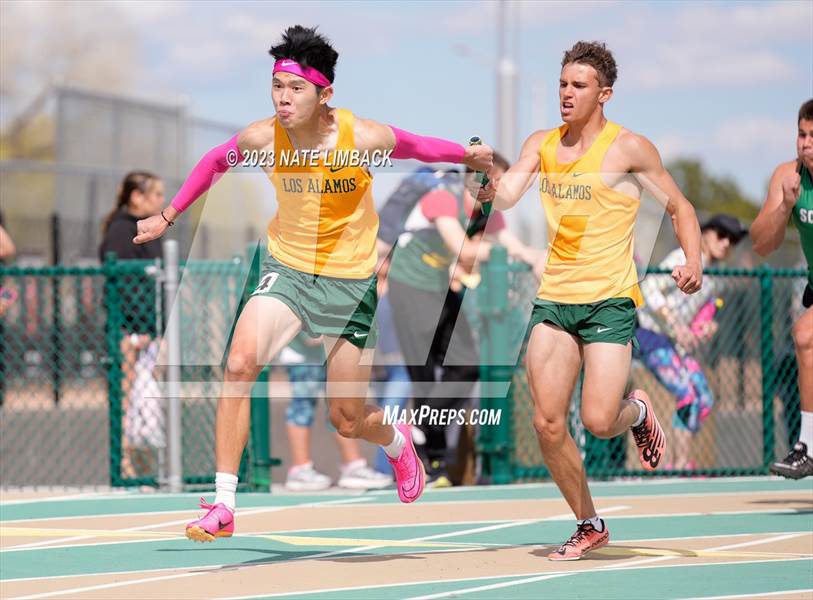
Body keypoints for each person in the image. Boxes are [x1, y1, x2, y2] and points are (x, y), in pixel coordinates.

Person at [132, 25, 492, 542]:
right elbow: (214, 160)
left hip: (349, 283)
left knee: (346, 418)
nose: (283, 98)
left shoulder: (359, 136)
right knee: (238, 365)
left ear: (325, 94)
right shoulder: (264, 137)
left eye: (295, 89)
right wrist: (167, 217)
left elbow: (414, 145)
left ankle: (395, 443)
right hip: (289, 270)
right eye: (277, 86)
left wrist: (465, 155)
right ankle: (225, 504)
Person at [479, 40, 702, 560]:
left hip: (608, 301)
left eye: (578, 86)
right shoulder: (543, 143)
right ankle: (589, 521)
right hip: (555, 299)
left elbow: (680, 206)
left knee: (600, 421)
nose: (566, 94)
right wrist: (486, 181)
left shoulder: (629, 149)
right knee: (546, 422)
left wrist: (693, 260)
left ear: (604, 94)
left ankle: (638, 411)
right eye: (561, 84)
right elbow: (507, 194)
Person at [385, 155, 542, 486]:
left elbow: (512, 245)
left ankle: (421, 431)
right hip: (409, 286)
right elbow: (463, 250)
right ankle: (435, 465)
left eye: (501, 182)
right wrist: (505, 253)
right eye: (492, 180)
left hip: (439, 288)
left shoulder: (490, 213)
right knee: (424, 376)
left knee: (466, 364)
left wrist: (536, 258)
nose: (498, 188)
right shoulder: (442, 197)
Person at [637, 214, 747, 470]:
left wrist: (706, 327)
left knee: (704, 398)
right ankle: (680, 463)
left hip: (675, 344)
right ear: (705, 233)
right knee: (687, 393)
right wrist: (673, 322)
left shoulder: (714, 277)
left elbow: (702, 315)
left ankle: (680, 460)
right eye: (721, 235)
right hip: (650, 336)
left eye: (732, 240)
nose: (726, 243)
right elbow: (649, 288)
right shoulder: (682, 258)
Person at [751, 98, 813, 480]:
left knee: (805, 334)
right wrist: (784, 207)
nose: (806, 143)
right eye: (802, 135)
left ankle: (808, 444)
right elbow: (761, 244)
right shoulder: (787, 177)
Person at [99, 171, 166, 479]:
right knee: (127, 402)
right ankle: (124, 469)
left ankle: (148, 471)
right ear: (136, 197)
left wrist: (158, 332)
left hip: (150, 333)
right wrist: (137, 331)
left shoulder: (152, 231)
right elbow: (124, 285)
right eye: (156, 195)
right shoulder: (120, 230)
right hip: (129, 333)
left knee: (150, 405)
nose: (162, 201)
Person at [281, 333, 393, 491]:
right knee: (302, 408)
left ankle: (354, 467)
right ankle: (300, 469)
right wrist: (308, 332)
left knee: (340, 406)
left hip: (333, 352)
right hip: (304, 355)